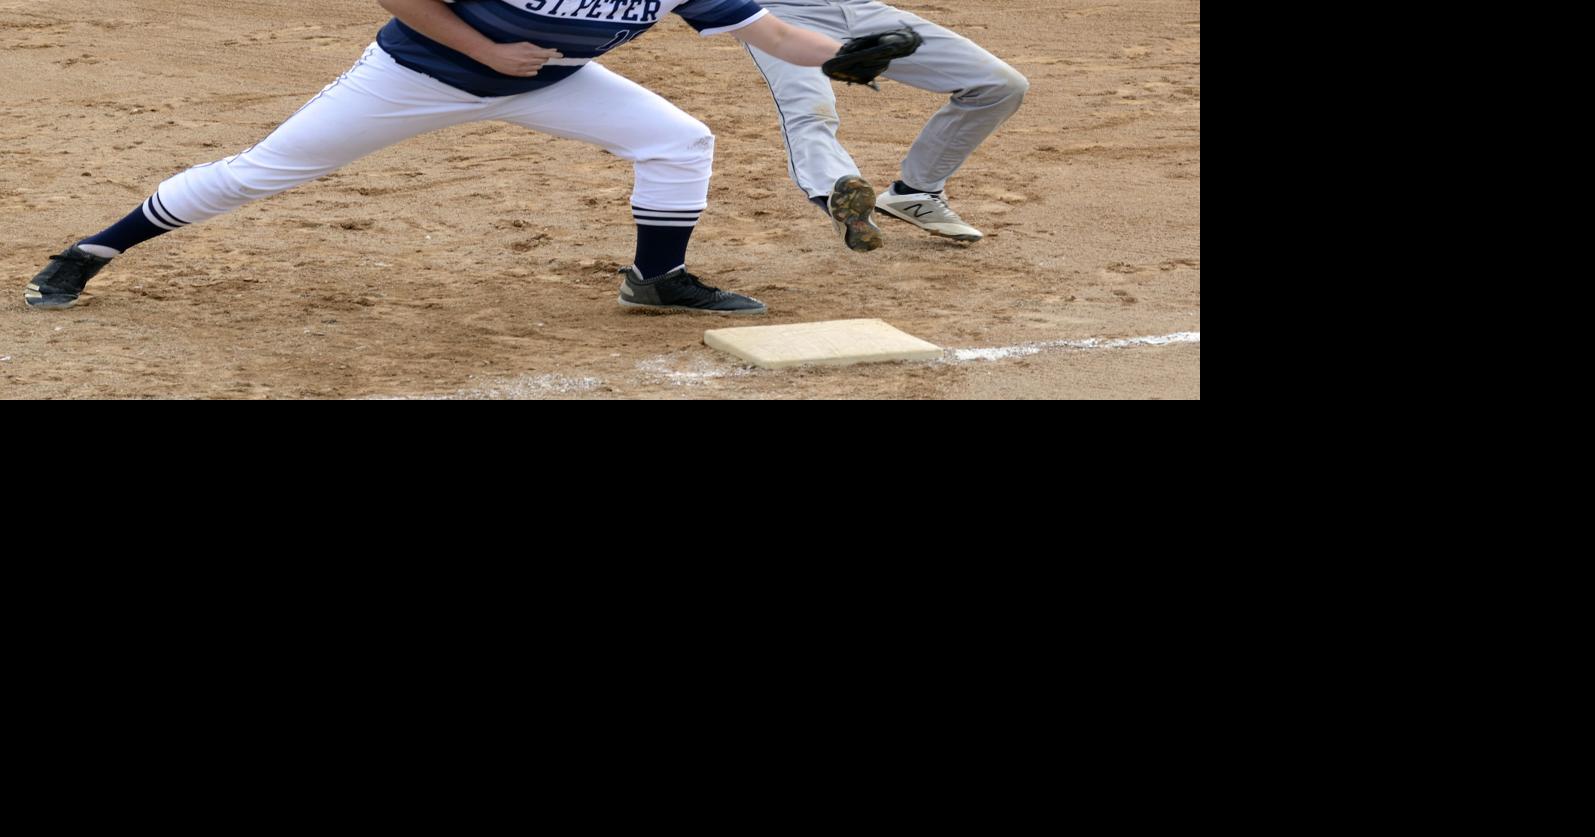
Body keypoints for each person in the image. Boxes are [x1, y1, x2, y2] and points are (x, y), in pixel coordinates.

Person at [23, 0, 863, 315]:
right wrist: (481, 49)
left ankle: (656, 278)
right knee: (264, 171)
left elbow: (775, 33)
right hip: (416, 75)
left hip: (549, 79)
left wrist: (856, 54)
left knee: (679, 138)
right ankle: (91, 250)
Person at [745, 0, 1029, 251]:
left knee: (1000, 86)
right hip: (778, 16)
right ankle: (840, 197)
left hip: (860, 10)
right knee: (809, 110)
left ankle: (916, 192)